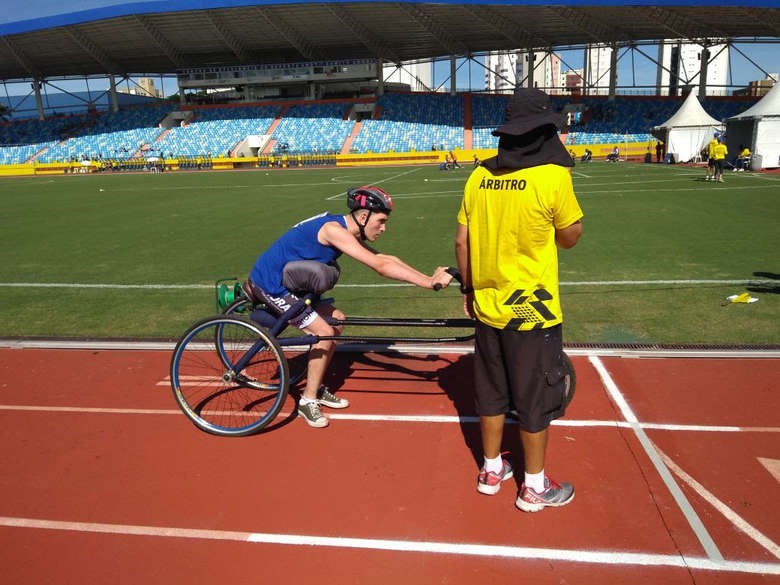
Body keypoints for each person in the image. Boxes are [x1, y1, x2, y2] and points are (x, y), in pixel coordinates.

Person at [454, 88, 583, 512]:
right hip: (533, 313)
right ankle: (534, 487)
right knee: (535, 400)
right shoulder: (553, 176)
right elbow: (570, 237)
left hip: (487, 307)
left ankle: (491, 470)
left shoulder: (479, 175)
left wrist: (468, 291)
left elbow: (462, 241)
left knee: (491, 393)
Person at [244, 186, 453, 428]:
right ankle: (307, 401)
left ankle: (315, 385)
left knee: (337, 321)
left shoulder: (343, 228)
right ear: (363, 216)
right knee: (323, 332)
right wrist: (428, 283)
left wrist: (429, 278)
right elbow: (380, 267)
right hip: (270, 284)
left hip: (290, 283)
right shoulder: (334, 230)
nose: (383, 228)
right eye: (381, 221)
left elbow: (385, 259)